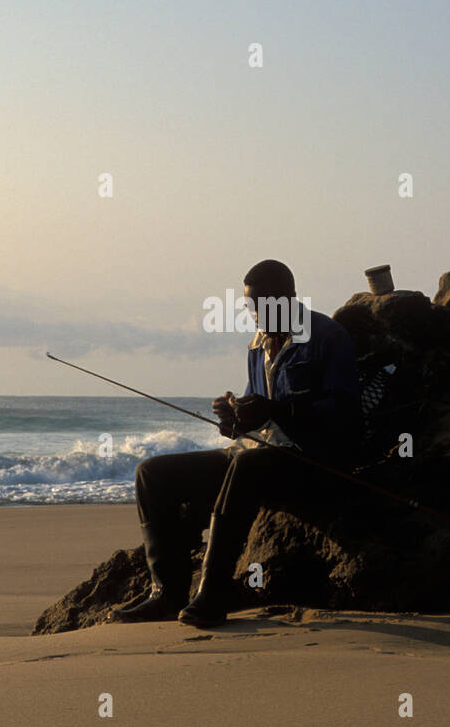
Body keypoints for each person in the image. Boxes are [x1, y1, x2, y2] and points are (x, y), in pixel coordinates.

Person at [109, 259, 361, 628]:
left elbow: (344, 412)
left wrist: (277, 410)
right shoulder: (257, 346)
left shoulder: (327, 336)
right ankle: (167, 593)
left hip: (311, 461)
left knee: (248, 466)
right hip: (258, 454)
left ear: (289, 298)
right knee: (152, 473)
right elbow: (252, 411)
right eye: (251, 305)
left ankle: (213, 594)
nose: (255, 313)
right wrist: (233, 418)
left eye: (262, 304)